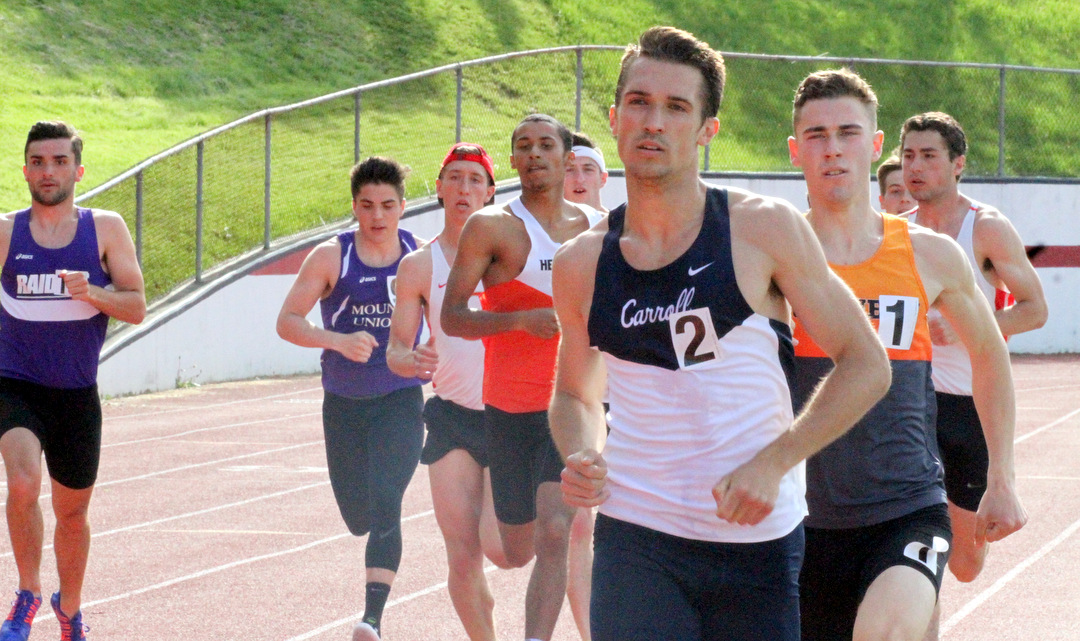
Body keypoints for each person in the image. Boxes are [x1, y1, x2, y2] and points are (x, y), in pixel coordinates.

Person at [551, 28, 891, 641]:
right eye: (639, 102)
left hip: (754, 545)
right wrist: (581, 451)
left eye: (677, 108)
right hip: (637, 537)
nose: (654, 122)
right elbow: (575, 393)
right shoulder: (581, 263)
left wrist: (776, 462)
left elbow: (867, 363)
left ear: (708, 129)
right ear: (614, 116)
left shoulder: (761, 230)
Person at [787, 70, 1028, 641]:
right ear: (796, 151)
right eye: (817, 135)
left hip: (906, 506)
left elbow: (990, 360)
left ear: (874, 146)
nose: (834, 149)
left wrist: (1003, 477)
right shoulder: (773, 257)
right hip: (800, 518)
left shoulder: (930, 255)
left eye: (848, 132)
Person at [441, 113, 603, 641]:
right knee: (513, 550)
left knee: (559, 531)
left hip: (571, 404)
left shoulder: (593, 227)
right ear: (512, 160)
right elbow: (452, 317)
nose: (534, 154)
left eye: (545, 145)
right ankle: (497, 496)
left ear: (565, 157)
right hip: (508, 411)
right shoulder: (490, 228)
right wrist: (517, 320)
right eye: (523, 146)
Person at [900, 111, 1047, 635]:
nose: (915, 167)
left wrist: (971, 328)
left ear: (958, 164)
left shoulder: (984, 227)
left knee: (964, 562)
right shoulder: (900, 233)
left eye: (929, 156)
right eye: (908, 155)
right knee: (919, 546)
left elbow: (1035, 309)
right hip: (914, 408)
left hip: (970, 407)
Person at [0, 121, 146, 641]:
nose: (48, 171)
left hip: (76, 394)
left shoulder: (105, 229)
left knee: (73, 513)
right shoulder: (5, 231)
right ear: (25, 170)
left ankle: (70, 606)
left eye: (59, 161)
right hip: (14, 385)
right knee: (21, 484)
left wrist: (95, 294)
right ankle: (27, 593)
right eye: (38, 162)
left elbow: (136, 306)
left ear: (78, 170)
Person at [277, 156, 424, 641]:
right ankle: (372, 605)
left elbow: (447, 319)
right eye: (367, 206)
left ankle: (372, 620)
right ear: (355, 208)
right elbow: (288, 321)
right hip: (343, 402)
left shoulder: (418, 257)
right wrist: (337, 340)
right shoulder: (330, 257)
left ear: (403, 207)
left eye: (387, 205)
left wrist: (432, 352)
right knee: (357, 515)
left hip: (401, 398)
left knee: (387, 500)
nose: (377, 216)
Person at [385, 143, 510, 641]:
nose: (464, 189)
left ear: (491, 193)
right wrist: (410, 360)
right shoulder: (419, 266)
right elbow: (397, 348)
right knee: (461, 553)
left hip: (512, 415)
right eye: (454, 178)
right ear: (438, 188)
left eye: (475, 180)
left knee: (500, 547)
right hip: (454, 417)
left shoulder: (514, 256)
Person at [560, 130, 609, 641]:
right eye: (568, 169)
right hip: (576, 400)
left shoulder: (625, 232)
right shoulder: (533, 235)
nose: (576, 180)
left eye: (586, 170)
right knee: (579, 525)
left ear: (603, 177)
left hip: (631, 398)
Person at [564, 132, 610, 214]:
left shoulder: (621, 225)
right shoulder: (539, 225)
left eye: (588, 169)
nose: (579, 179)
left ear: (603, 178)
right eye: (570, 170)